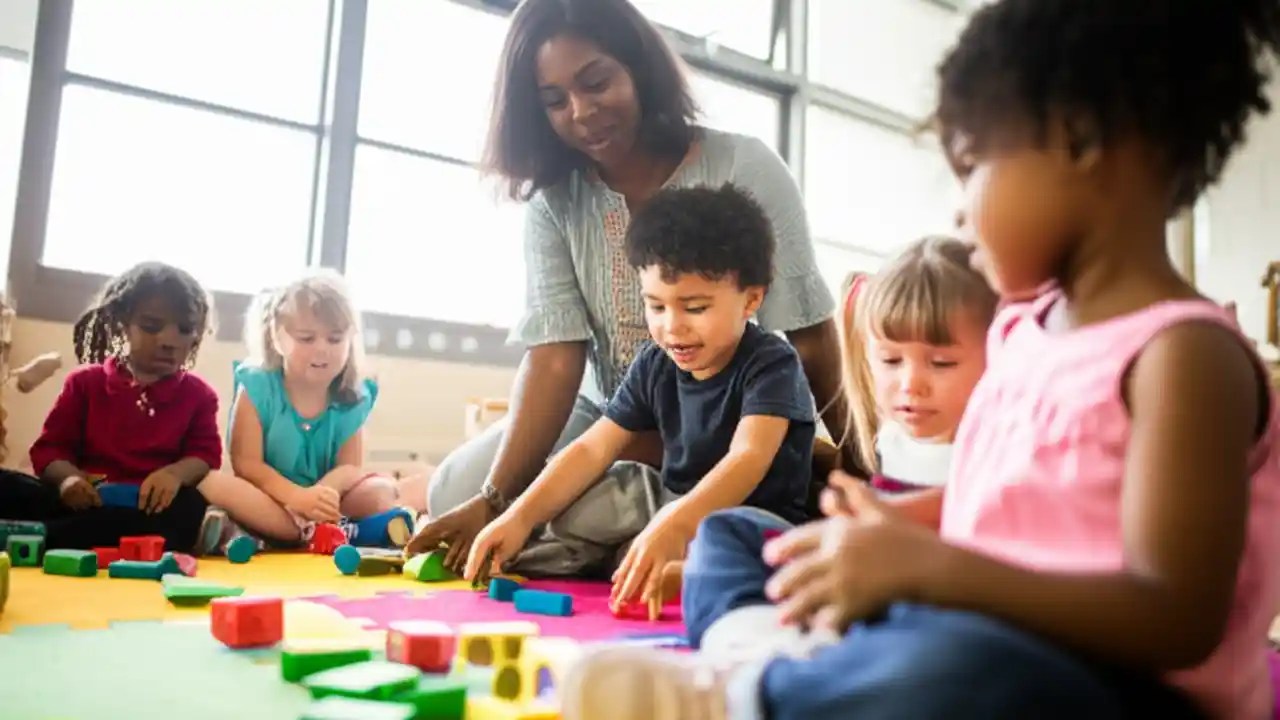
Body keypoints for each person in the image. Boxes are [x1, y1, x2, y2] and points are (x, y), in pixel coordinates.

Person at [557, 1, 1280, 718]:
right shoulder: (1025, 333)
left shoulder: (1184, 360)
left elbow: (1176, 621)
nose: (962, 214)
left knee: (973, 673)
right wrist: (894, 526)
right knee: (737, 537)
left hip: (1105, 687)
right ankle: (779, 660)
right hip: (970, 620)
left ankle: (757, 691)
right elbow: (1002, 500)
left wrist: (938, 573)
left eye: (970, 168)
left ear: (1081, 142)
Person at [409, 0, 847, 577]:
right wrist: (497, 502)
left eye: (596, 83)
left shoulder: (746, 165)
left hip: (726, 414)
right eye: (554, 101)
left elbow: (810, 335)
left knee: (725, 492)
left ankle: (695, 522)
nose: (581, 112)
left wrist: (853, 463)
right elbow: (557, 362)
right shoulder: (556, 204)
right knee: (455, 490)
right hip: (618, 412)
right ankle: (649, 535)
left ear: (638, 68)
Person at [462, 183, 816, 606]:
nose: (672, 327)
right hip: (667, 502)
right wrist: (519, 517)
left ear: (751, 300)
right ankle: (587, 556)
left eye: (695, 308)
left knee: (738, 556)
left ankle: (660, 567)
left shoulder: (771, 363)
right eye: (656, 306)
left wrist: (675, 524)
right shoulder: (655, 361)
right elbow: (593, 449)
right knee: (589, 499)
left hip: (749, 521)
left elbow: (748, 457)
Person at [0, 263, 219, 552]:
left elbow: (205, 455)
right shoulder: (85, 383)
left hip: (147, 510)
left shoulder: (199, 395)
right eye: (152, 326)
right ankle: (47, 534)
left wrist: (174, 475)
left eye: (185, 329)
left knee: (190, 507)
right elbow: (49, 450)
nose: (169, 340)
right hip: (82, 502)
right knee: (10, 485)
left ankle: (39, 537)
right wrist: (68, 480)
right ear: (121, 323)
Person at [197, 271, 414, 551]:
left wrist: (321, 496)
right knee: (211, 482)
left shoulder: (353, 396)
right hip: (272, 499)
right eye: (306, 338)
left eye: (335, 339)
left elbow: (349, 467)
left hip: (326, 501)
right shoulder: (257, 386)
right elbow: (247, 464)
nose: (322, 349)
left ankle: (303, 533)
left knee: (381, 492)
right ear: (277, 337)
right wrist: (297, 497)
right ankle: (327, 533)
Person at [841, 237, 995, 495]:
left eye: (941, 363)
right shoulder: (892, 437)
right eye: (891, 360)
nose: (910, 385)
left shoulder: (996, 459)